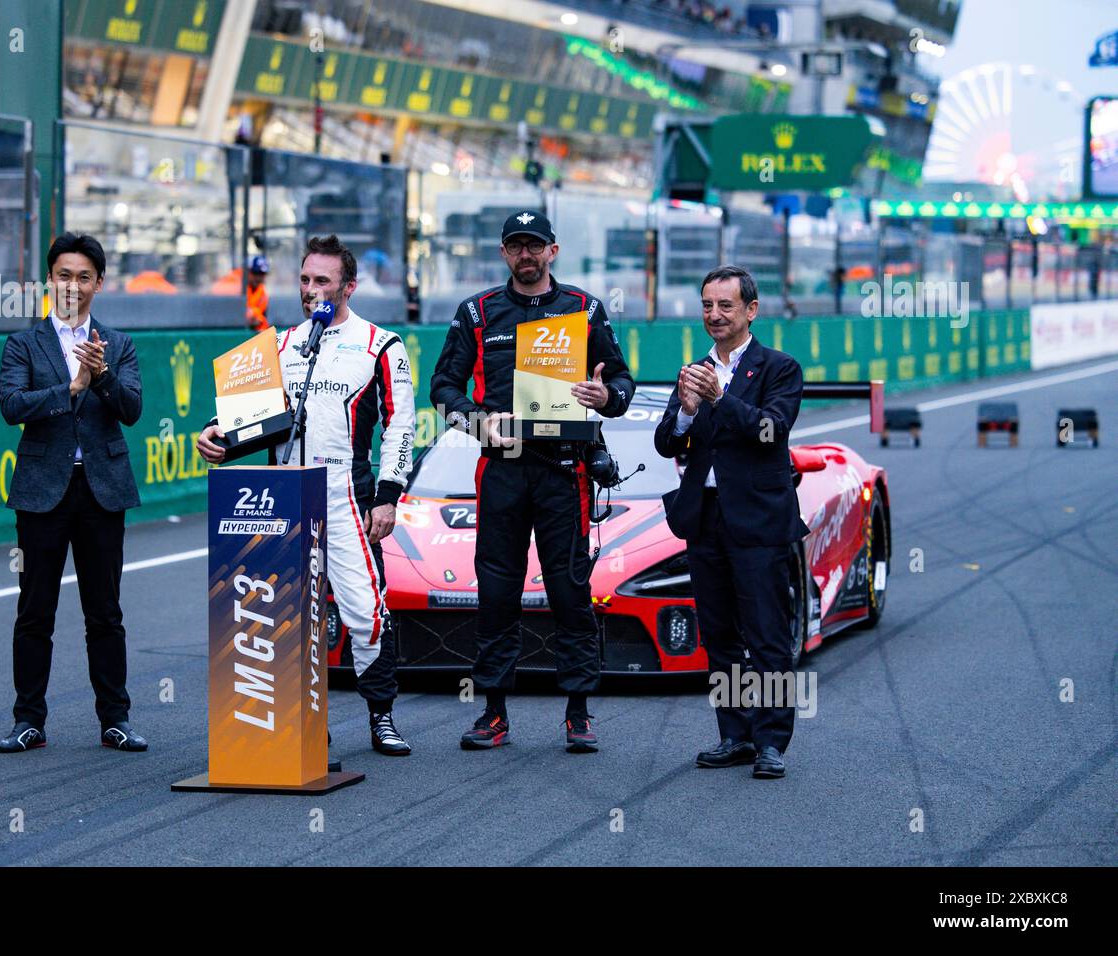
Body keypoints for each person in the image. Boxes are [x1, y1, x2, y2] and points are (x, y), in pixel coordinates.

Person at [196, 235, 416, 757]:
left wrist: (388, 495)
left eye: (322, 281)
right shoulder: (278, 343)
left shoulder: (381, 344)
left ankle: (380, 715)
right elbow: (245, 418)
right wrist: (214, 437)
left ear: (348, 286)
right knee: (286, 614)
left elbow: (401, 426)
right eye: (304, 279)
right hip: (281, 493)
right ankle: (299, 722)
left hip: (344, 491)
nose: (311, 289)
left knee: (365, 613)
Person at [429, 209, 635, 754]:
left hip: (566, 470)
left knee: (571, 591)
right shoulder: (476, 313)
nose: (526, 254)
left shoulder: (585, 310)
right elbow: (443, 388)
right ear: (504, 253)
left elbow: (622, 381)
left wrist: (605, 398)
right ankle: (493, 712)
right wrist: (475, 420)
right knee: (497, 592)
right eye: (516, 246)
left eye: (535, 245)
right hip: (502, 468)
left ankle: (578, 713)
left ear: (553, 251)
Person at [653, 264, 808, 779]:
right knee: (720, 636)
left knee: (767, 635)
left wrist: (722, 399)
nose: (714, 315)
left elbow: (771, 431)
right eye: (707, 306)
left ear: (751, 310)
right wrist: (687, 412)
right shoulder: (695, 369)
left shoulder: (778, 368)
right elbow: (666, 443)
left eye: (725, 306)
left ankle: (771, 741)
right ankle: (733, 734)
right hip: (706, 519)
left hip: (760, 522)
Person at [0, 232, 147, 754]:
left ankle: (116, 719)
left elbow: (131, 409)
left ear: (99, 283)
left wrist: (101, 378)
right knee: (34, 609)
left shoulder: (119, 344)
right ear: (49, 280)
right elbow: (13, 405)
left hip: (102, 491)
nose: (73, 286)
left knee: (104, 611)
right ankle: (27, 720)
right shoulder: (23, 344)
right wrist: (72, 388)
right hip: (42, 493)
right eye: (64, 275)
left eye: (84, 277)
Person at [246, 254, 270, 331]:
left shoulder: (263, 293)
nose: (258, 278)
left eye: (262, 274)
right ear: (249, 272)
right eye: (256, 273)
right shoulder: (239, 288)